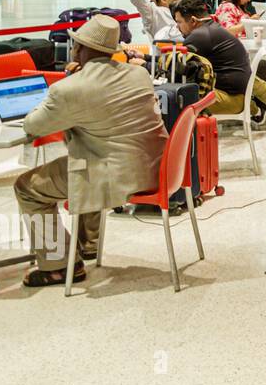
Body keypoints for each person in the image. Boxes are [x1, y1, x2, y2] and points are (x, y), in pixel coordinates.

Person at [13, 15, 167, 287]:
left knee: (28, 187)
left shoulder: (70, 88)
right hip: (156, 169)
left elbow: (33, 125)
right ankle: (89, 244)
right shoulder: (139, 74)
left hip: (113, 176)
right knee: (88, 154)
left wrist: (67, 84)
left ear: (78, 50)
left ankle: (59, 264)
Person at [170, 0, 266, 116]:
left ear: (193, 20)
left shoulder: (199, 36)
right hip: (241, 94)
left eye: (179, 22)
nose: (177, 26)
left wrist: (147, 63)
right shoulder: (213, 28)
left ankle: (255, 110)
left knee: (180, 96)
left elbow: (177, 67)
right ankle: (256, 109)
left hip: (233, 100)